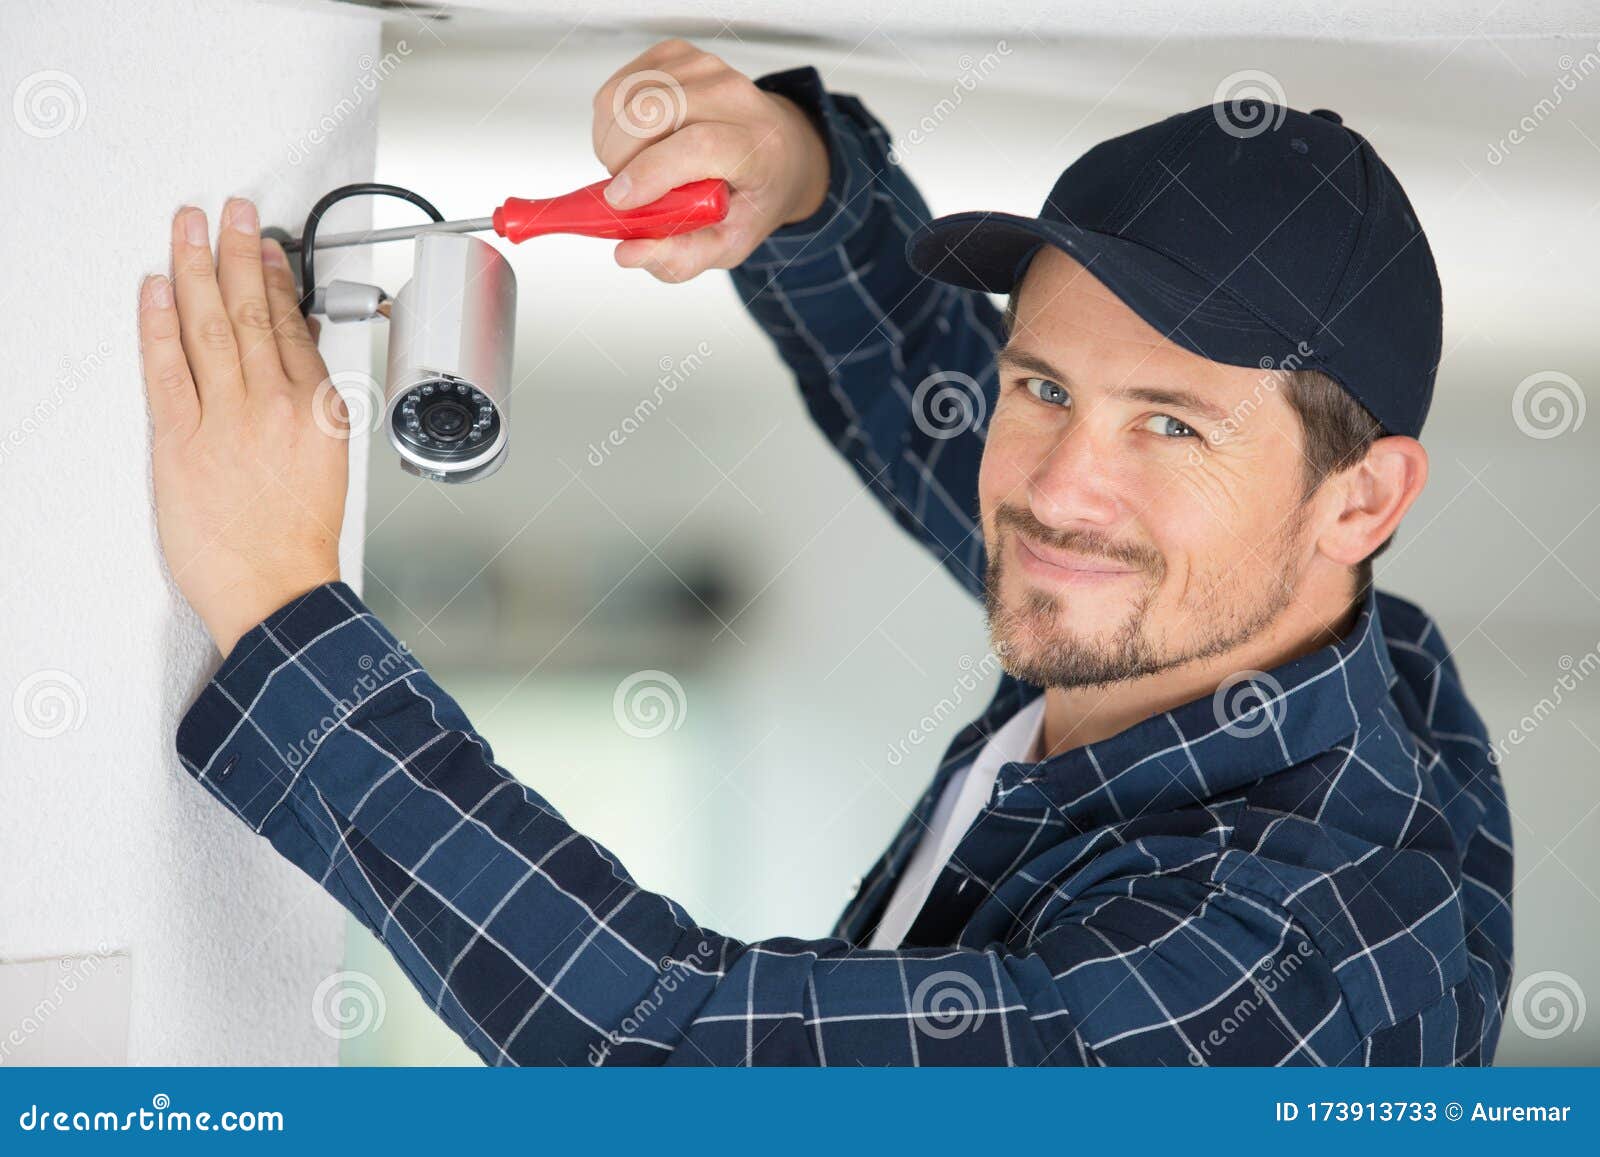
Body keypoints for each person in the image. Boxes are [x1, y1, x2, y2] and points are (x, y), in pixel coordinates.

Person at [136, 39, 1511, 1065]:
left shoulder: (1283, 980)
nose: (1058, 489)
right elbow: (946, 413)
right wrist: (802, 182)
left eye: (1171, 425)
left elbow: (680, 1057)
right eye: (1044, 387)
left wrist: (278, 602)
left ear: (1362, 500)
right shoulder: (1311, 639)